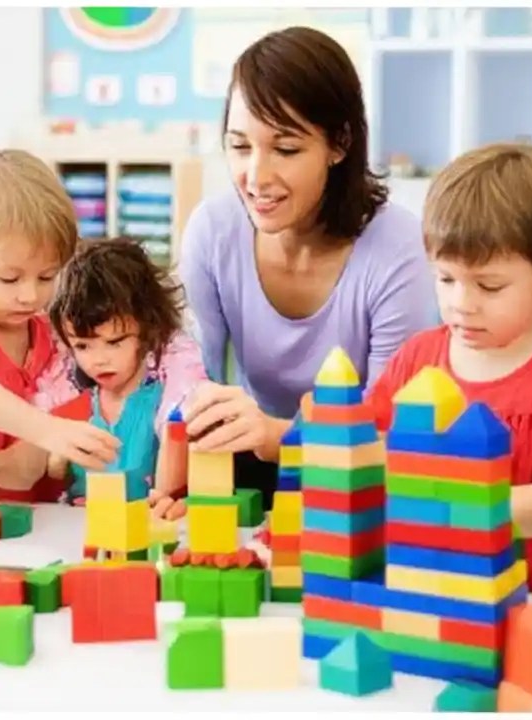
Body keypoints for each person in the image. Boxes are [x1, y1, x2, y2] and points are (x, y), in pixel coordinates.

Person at [175, 26, 437, 510]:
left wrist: (277, 434)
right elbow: (187, 372)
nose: (256, 177)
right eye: (239, 146)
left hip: (360, 473)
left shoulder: (398, 249)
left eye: (287, 149)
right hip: (248, 456)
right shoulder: (212, 230)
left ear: (338, 144)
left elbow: (392, 429)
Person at [365, 142, 532, 601]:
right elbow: (368, 453)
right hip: (429, 595)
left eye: (489, 285)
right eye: (445, 279)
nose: (461, 303)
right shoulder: (416, 360)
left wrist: (472, 505)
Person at [0, 150, 123, 501]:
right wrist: (46, 431)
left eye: (46, 276)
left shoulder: (51, 333)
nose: (29, 295)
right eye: (9, 279)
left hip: (45, 527)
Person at [43, 238, 202, 502]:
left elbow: (169, 491)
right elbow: (55, 476)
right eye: (83, 346)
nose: (99, 360)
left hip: (145, 529)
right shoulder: (75, 402)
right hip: (78, 531)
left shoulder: (163, 401)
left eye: (115, 342)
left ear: (147, 330)